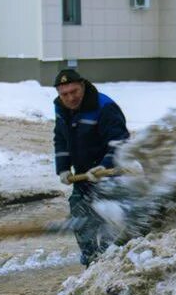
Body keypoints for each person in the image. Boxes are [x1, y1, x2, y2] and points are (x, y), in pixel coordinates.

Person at [52, 69, 130, 265]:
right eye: (64, 94)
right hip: (83, 177)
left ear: (83, 86)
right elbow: (61, 138)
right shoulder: (61, 108)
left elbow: (119, 142)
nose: (70, 98)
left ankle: (112, 265)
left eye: (74, 91)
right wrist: (62, 168)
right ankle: (90, 262)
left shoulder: (104, 107)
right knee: (80, 218)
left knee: (108, 225)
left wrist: (104, 166)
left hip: (111, 179)